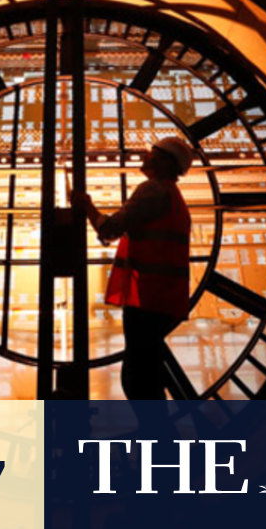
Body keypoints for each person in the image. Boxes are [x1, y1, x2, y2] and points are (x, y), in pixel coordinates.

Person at [73, 137, 194, 399]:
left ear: (164, 161)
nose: (146, 157)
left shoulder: (153, 191)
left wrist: (87, 207)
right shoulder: (174, 199)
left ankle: (158, 434)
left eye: (153, 153)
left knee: (138, 378)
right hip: (164, 299)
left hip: (147, 298)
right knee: (145, 373)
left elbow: (110, 229)